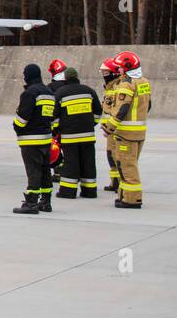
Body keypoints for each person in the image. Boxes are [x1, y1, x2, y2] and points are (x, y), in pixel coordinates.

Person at [102, 51, 150, 209]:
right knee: (129, 164)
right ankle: (124, 195)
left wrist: (108, 128)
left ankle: (132, 199)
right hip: (139, 132)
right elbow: (148, 106)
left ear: (127, 68)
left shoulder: (126, 84)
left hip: (126, 134)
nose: (118, 71)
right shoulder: (144, 82)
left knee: (126, 166)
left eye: (120, 68)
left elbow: (122, 109)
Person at [12, 63, 57, 214]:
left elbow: (22, 118)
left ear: (28, 75)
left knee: (33, 172)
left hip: (31, 140)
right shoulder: (49, 92)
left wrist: (16, 126)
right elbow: (52, 118)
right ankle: (46, 202)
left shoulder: (30, 93)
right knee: (45, 171)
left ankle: (31, 203)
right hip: (46, 139)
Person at [52, 66, 101, 200]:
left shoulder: (60, 93)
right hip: (88, 136)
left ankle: (67, 192)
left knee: (71, 164)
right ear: (77, 77)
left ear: (66, 78)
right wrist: (91, 124)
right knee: (88, 163)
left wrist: (57, 130)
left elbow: (54, 116)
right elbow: (98, 112)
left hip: (69, 137)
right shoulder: (89, 91)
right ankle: (89, 191)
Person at [99, 57, 123, 192]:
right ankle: (114, 181)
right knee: (110, 154)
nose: (104, 76)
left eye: (106, 73)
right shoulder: (109, 86)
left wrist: (110, 126)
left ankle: (119, 182)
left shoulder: (118, 86)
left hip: (115, 128)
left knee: (116, 155)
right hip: (109, 128)